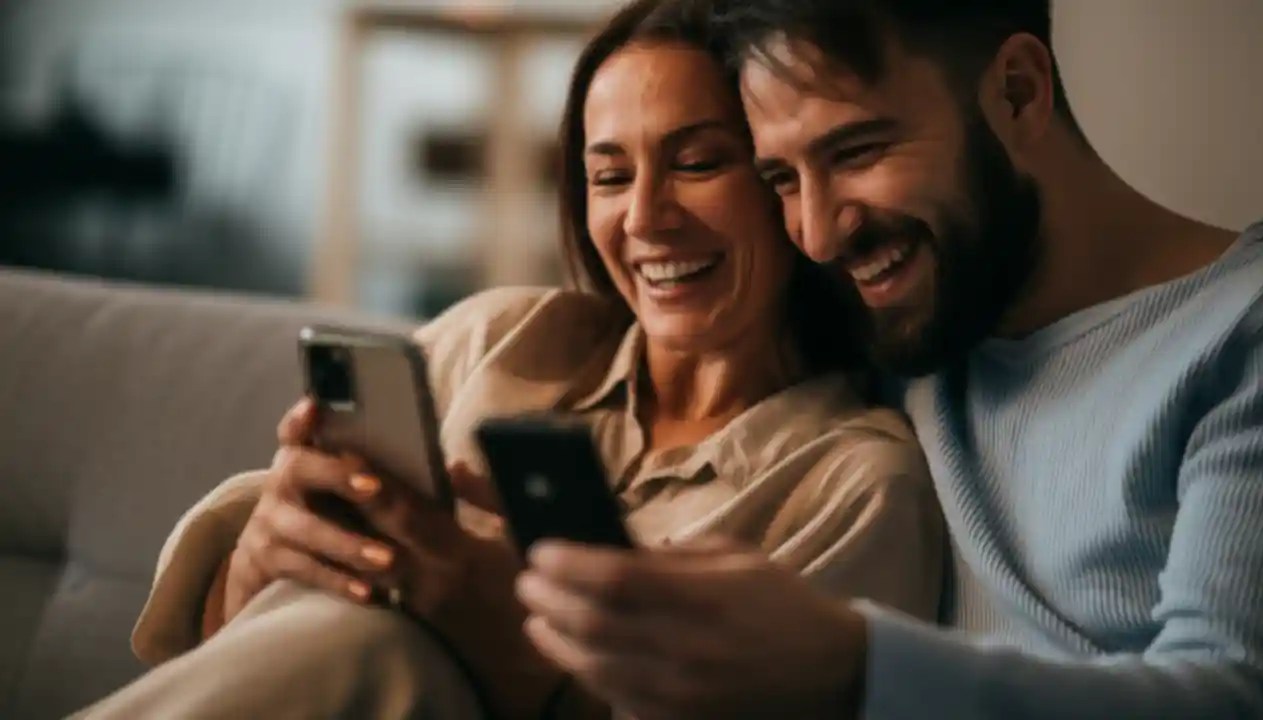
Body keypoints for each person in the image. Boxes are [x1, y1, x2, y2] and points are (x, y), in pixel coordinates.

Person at [73, 1, 945, 718]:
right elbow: (229, 647)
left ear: (782, 181)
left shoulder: (851, 484)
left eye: (697, 163)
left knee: (381, 647)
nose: (644, 218)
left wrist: (499, 632)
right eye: (609, 177)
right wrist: (252, 567)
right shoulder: (495, 342)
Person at [504, 0, 1263, 718]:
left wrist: (852, 662)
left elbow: (1235, 697)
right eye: (780, 177)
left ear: (1016, 92)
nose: (816, 235)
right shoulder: (904, 319)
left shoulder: (1249, 332)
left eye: (857, 150)